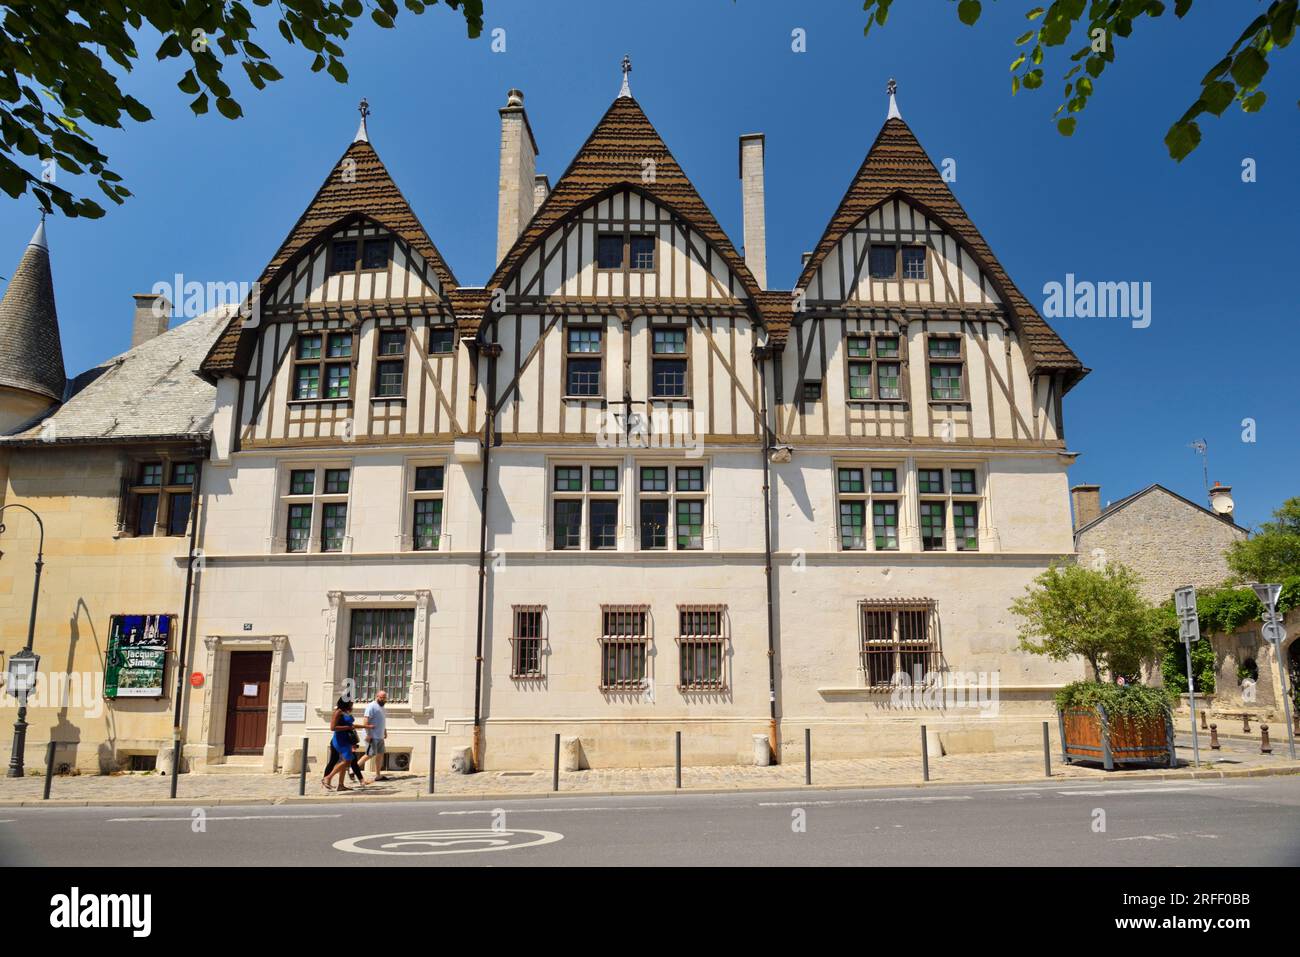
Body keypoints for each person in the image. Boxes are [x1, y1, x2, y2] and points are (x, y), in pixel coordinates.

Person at [322, 698, 369, 792]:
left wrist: (365, 727)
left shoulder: (346, 712)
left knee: (346, 762)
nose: (352, 705)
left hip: (347, 739)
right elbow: (333, 727)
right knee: (347, 760)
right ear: (345, 703)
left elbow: (351, 725)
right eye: (350, 703)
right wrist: (348, 727)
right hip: (340, 739)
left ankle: (340, 785)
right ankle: (328, 778)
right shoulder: (338, 712)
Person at [359, 690, 388, 783]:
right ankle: (353, 768)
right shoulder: (371, 706)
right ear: (377, 696)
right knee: (369, 754)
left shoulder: (382, 707)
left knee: (380, 755)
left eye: (384, 697)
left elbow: (381, 720)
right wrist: (368, 734)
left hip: (379, 735)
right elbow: (365, 721)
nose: (383, 699)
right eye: (381, 697)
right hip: (372, 735)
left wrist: (385, 731)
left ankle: (378, 775)